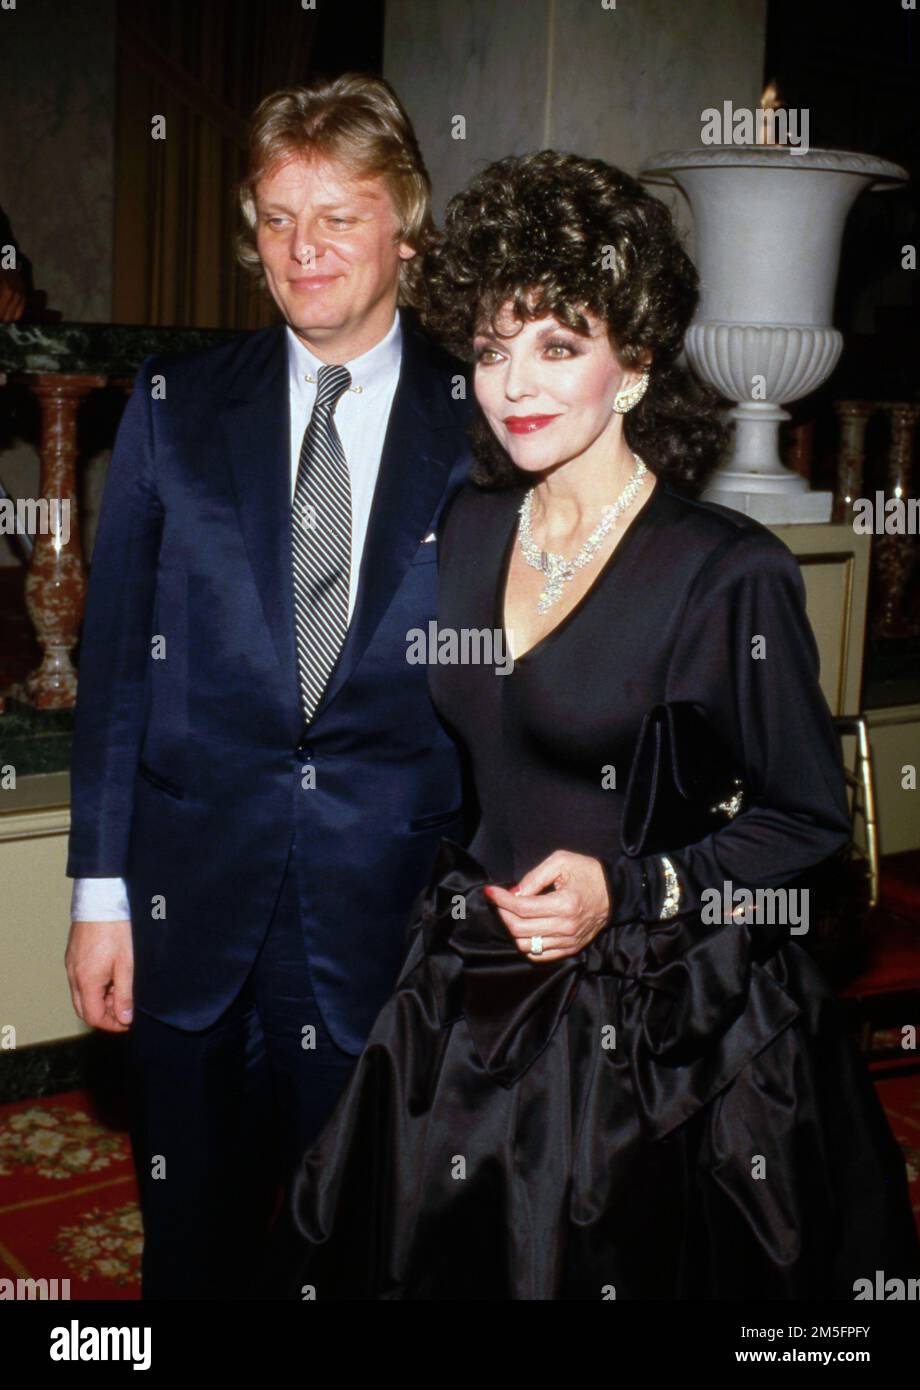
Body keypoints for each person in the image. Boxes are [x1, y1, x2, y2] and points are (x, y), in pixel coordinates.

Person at [287, 150, 920, 1299]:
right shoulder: (469, 531)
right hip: (469, 997)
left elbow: (807, 824)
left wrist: (628, 888)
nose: (512, 383)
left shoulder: (725, 572)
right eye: (490, 348)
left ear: (629, 366)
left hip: (659, 1027)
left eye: (557, 346)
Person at [63, 75, 472, 1300]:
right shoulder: (173, 407)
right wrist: (99, 887)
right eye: (278, 216)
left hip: (390, 910)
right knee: (190, 1242)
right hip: (188, 901)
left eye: (338, 215)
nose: (305, 248)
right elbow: (113, 667)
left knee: (361, 1248)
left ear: (404, 220)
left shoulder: (486, 421)